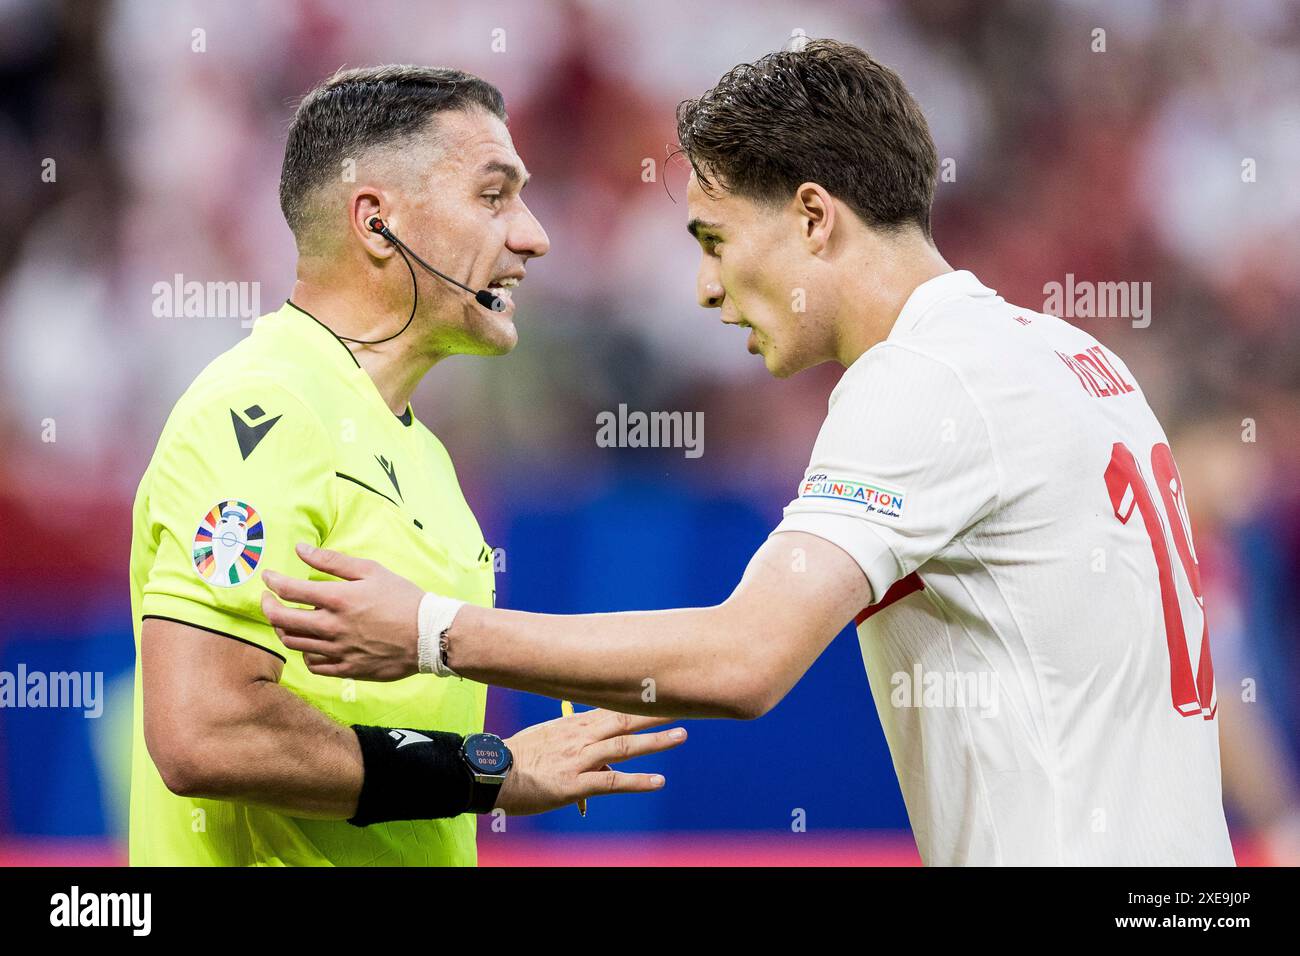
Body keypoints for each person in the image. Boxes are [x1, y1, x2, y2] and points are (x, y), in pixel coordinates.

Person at [262, 41, 1234, 866]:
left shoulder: (927, 380)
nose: (704, 288)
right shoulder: (1072, 353)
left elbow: (745, 658)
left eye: (714, 238)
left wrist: (433, 628)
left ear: (814, 217)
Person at [128, 65, 685, 867]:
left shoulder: (422, 452)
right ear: (377, 221)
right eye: (494, 196)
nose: (534, 235)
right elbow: (205, 730)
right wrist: (487, 770)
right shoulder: (259, 410)